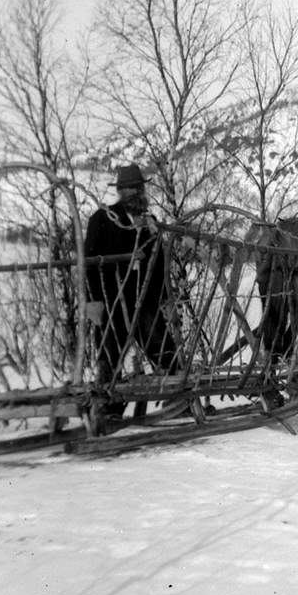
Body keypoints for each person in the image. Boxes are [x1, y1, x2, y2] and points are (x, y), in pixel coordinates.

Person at [83, 164, 180, 414]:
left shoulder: (150, 222)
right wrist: (92, 301)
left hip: (144, 301)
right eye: (128, 189)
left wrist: (166, 300)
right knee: (109, 356)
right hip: (112, 301)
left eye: (138, 187)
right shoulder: (102, 219)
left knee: (164, 348)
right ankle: (108, 410)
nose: (135, 192)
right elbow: (89, 263)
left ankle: (179, 400)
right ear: (120, 191)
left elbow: (159, 266)